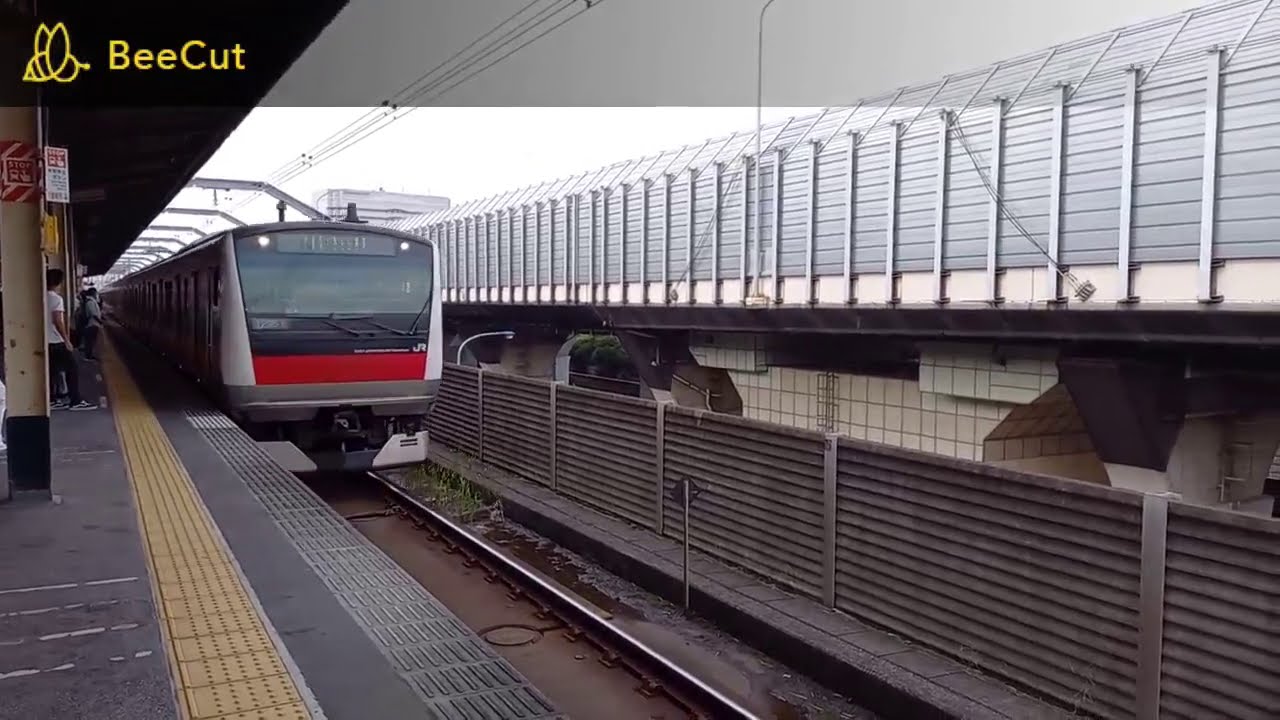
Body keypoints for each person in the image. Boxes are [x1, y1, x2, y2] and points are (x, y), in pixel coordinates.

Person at [46, 269, 95, 411]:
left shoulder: (39, 296)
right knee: (72, 369)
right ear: (59, 283)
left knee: (52, 371)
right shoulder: (56, 299)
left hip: (45, 342)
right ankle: (75, 401)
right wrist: (67, 340)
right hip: (56, 341)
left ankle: (52, 399)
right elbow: (57, 320)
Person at [77, 287, 102, 361]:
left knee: (90, 341)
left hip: (91, 324)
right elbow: (93, 314)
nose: (97, 295)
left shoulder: (89, 301)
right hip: (91, 324)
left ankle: (89, 355)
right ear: (93, 293)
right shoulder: (90, 301)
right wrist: (100, 321)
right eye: (96, 293)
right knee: (90, 341)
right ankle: (88, 356)